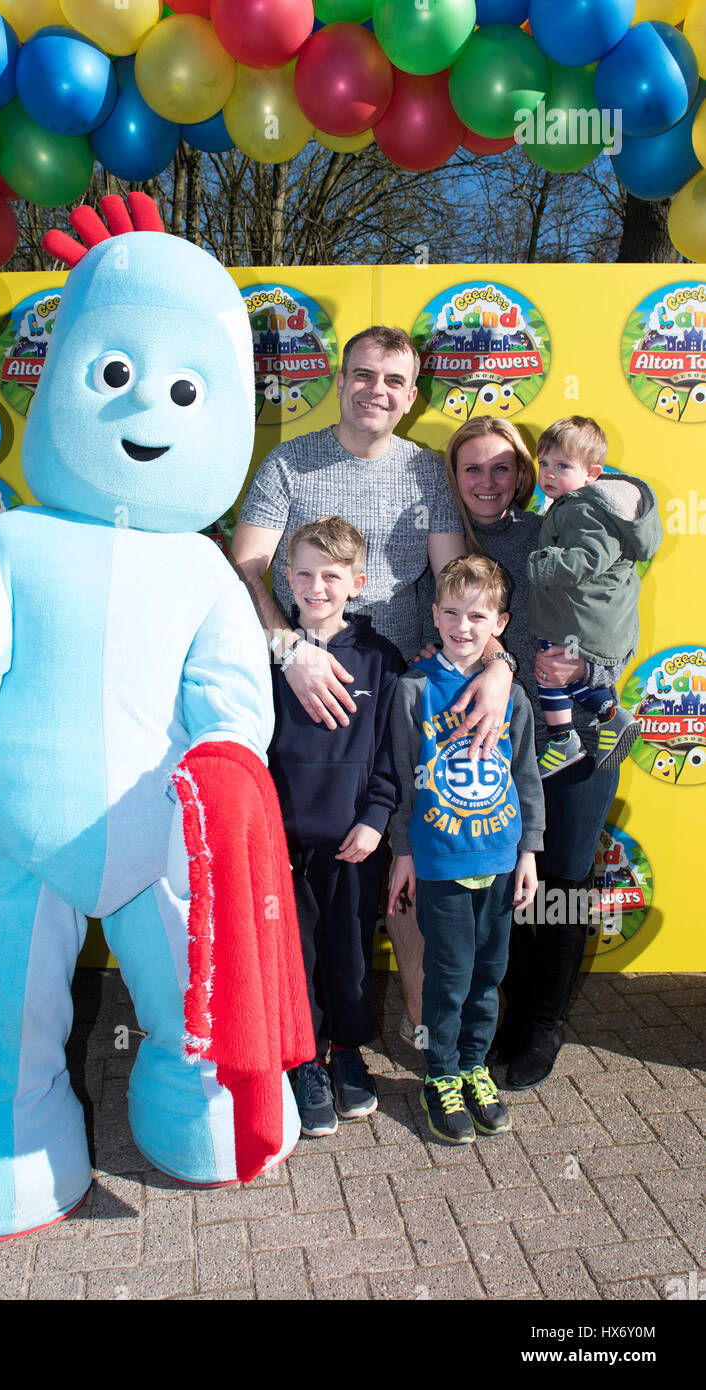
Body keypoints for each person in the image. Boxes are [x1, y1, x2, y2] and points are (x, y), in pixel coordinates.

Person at [232, 326, 519, 1025]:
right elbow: (242, 564)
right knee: (306, 887)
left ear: (412, 395)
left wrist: (498, 664)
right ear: (340, 379)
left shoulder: (426, 472)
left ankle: (431, 1049)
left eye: (392, 381)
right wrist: (286, 649)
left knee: (411, 871)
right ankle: (308, 1044)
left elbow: (459, 585)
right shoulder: (289, 464)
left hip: (406, 697)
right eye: (363, 375)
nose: (376, 391)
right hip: (306, 695)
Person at [412, 416, 633, 1089]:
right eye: (472, 468)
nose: (487, 481)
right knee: (504, 887)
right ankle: (500, 1018)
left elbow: (613, 614)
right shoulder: (439, 559)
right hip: (486, 756)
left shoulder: (555, 533)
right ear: (453, 476)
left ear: (526, 474)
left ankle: (541, 1024)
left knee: (562, 884)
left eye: (501, 468)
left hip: (575, 740)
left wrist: (541, 665)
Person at [387, 555, 543, 1143]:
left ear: (500, 622)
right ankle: (441, 1075)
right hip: (440, 860)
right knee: (448, 976)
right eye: (451, 612)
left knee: (488, 973)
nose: (463, 625)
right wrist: (403, 852)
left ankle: (476, 1068)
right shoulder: (413, 690)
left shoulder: (515, 697)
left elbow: (525, 774)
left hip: (500, 858)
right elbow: (402, 778)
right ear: (433, 614)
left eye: (477, 614)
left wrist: (528, 852)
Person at [269, 517, 403, 1137]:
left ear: (357, 583)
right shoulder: (263, 654)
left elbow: (392, 755)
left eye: (331, 576)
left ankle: (347, 1053)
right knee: (294, 956)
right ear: (286, 578)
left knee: (349, 957)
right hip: (281, 842)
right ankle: (304, 1059)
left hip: (355, 842)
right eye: (303, 574)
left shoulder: (380, 659)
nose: (315, 587)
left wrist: (376, 820)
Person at [527, 417, 662, 778]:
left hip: (578, 623)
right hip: (582, 619)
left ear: (592, 473)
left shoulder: (583, 509)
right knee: (561, 676)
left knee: (548, 673)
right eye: (544, 464)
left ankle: (562, 740)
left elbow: (588, 558)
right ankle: (609, 715)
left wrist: (542, 564)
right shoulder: (576, 505)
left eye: (562, 466)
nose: (549, 474)